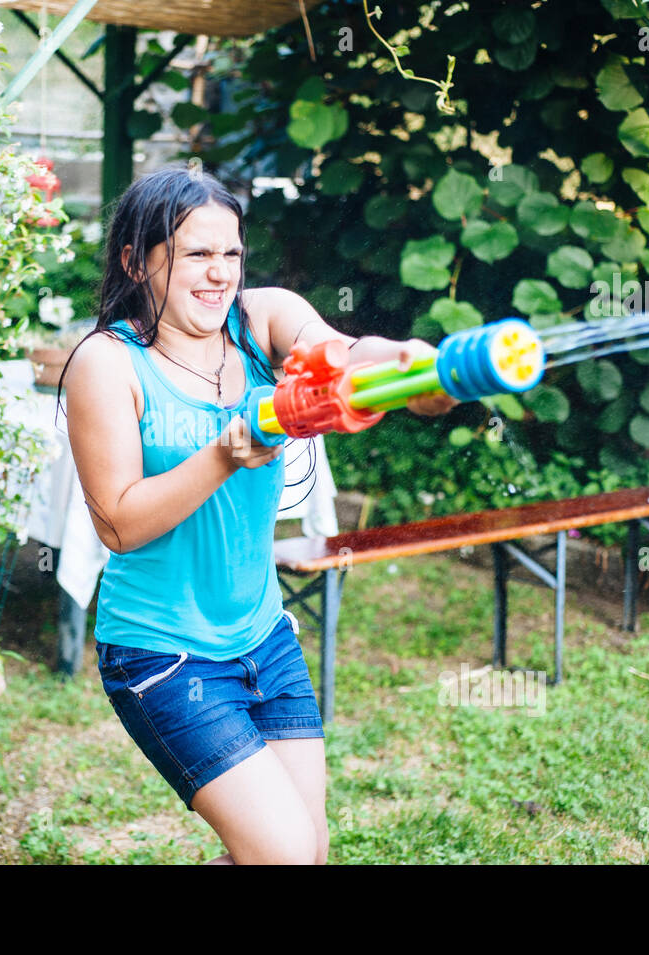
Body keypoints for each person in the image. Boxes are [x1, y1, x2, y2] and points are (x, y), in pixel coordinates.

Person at [61, 166, 455, 865]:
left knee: (303, 850)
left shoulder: (259, 317)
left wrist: (408, 366)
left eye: (231, 254)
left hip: (263, 636)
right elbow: (117, 524)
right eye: (195, 254)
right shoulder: (108, 362)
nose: (219, 274)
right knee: (283, 851)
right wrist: (222, 455)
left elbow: (334, 355)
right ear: (136, 259)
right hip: (162, 648)